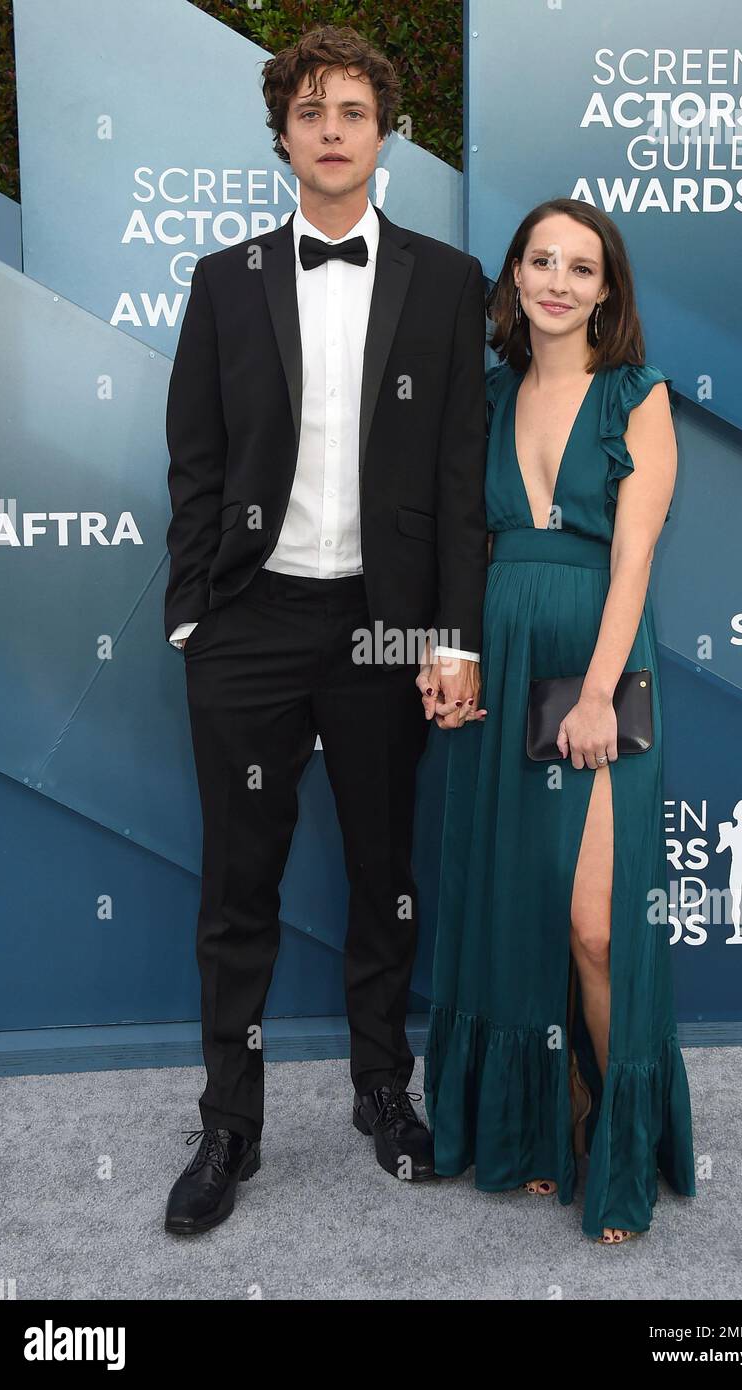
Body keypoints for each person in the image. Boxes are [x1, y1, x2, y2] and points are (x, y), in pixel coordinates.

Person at [162, 25, 487, 1235]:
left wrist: (451, 635)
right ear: (283, 134)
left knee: (382, 876)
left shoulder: (447, 283)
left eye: (354, 108)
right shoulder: (222, 280)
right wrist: (193, 611)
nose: (335, 128)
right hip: (249, 621)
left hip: (383, 629)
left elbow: (460, 480)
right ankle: (229, 1126)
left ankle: (380, 1094)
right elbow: (193, 460)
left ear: (383, 128)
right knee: (237, 885)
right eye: (312, 112)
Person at [421, 197, 696, 1244]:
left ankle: (615, 1154)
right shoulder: (487, 396)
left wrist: (593, 690)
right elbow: (467, 544)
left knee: (592, 923)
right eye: (540, 260)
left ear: (605, 289)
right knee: (515, 911)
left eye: (580, 267)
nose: (557, 281)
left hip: (596, 662)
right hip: (505, 648)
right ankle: (547, 1122)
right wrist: (452, 653)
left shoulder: (636, 394)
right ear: (515, 276)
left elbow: (632, 558)